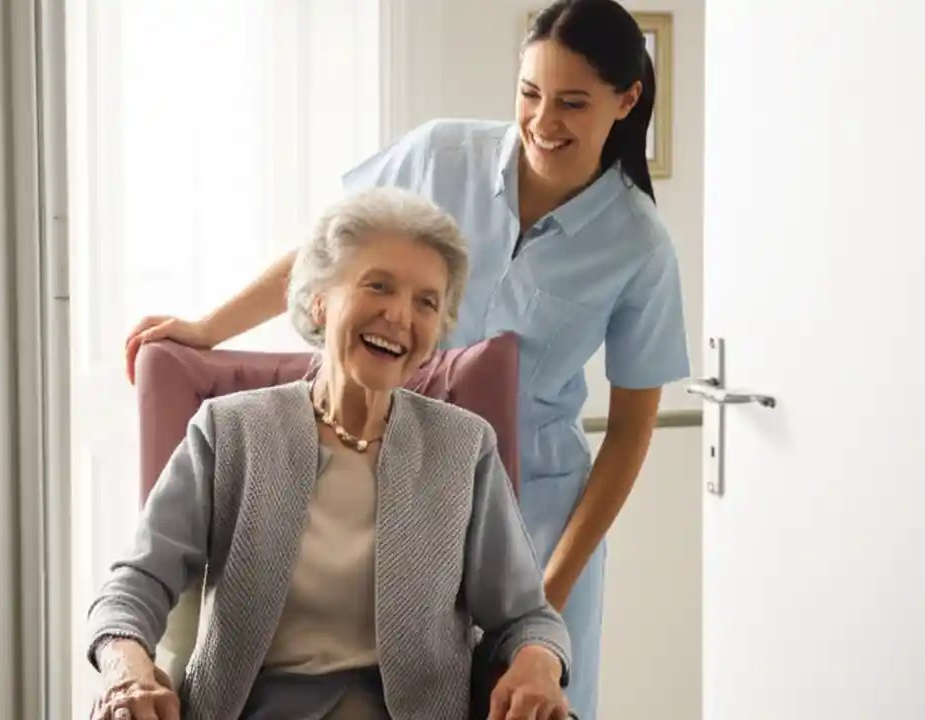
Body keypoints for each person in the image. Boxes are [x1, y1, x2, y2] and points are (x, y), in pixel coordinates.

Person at [123, 1, 688, 716]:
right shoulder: (441, 156)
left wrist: (551, 592)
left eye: (573, 103)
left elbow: (632, 432)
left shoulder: (639, 246)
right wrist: (208, 327)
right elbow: (333, 253)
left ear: (626, 99)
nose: (544, 121)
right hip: (397, 467)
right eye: (529, 93)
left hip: (539, 507)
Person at [88, 189, 571, 720]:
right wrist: (125, 671)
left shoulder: (463, 447)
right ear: (319, 299)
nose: (399, 315)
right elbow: (134, 586)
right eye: (378, 285)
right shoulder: (231, 431)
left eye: (426, 302)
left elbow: (526, 617)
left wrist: (537, 666)